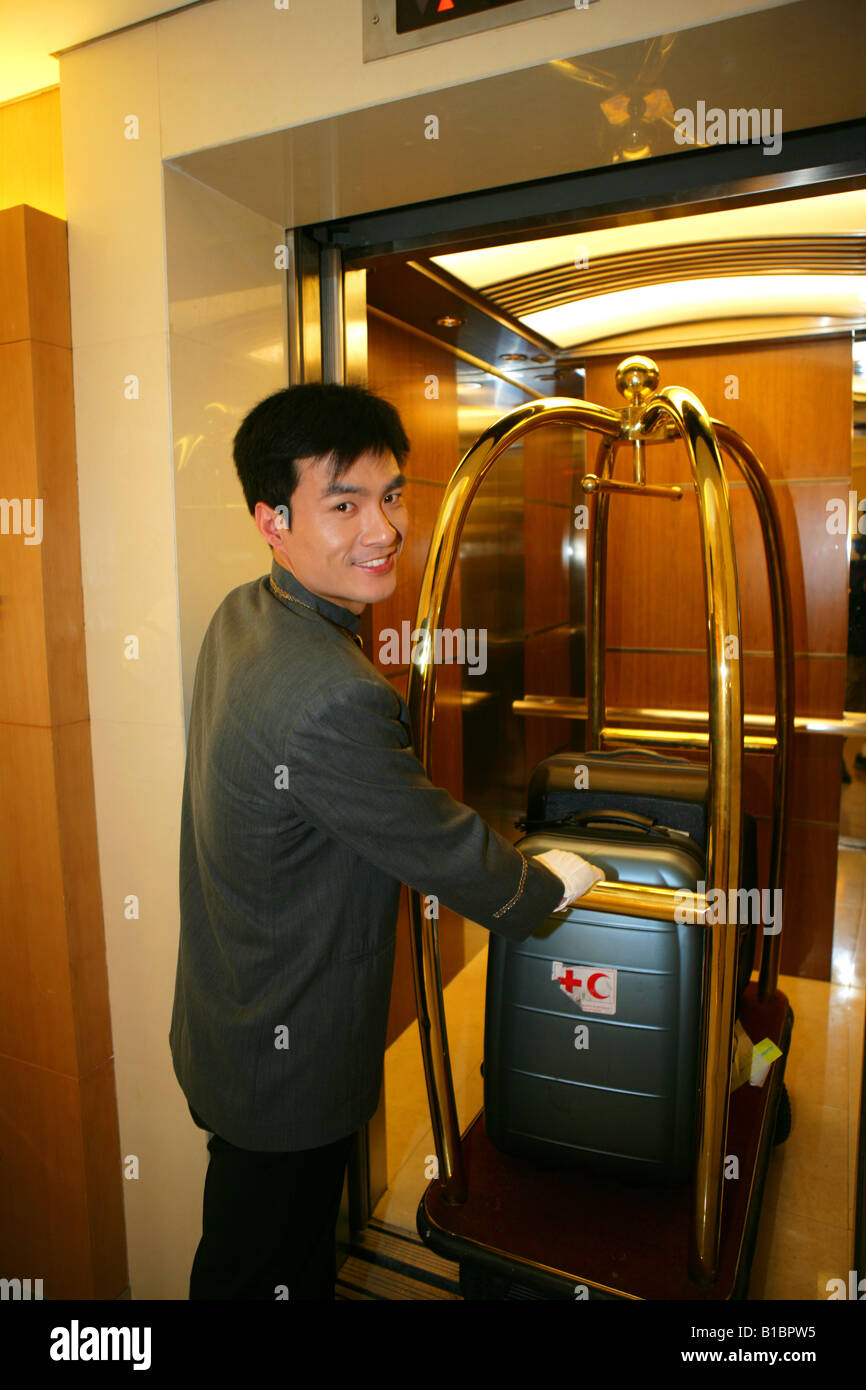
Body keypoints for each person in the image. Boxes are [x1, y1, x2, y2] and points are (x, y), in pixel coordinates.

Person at [169, 383, 601, 1301]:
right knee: (267, 1267)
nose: (385, 528)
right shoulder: (326, 691)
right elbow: (434, 841)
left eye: (392, 495)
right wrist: (540, 886)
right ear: (272, 519)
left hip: (230, 1021)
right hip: (286, 1063)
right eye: (344, 504)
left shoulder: (245, 614)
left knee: (252, 1252)